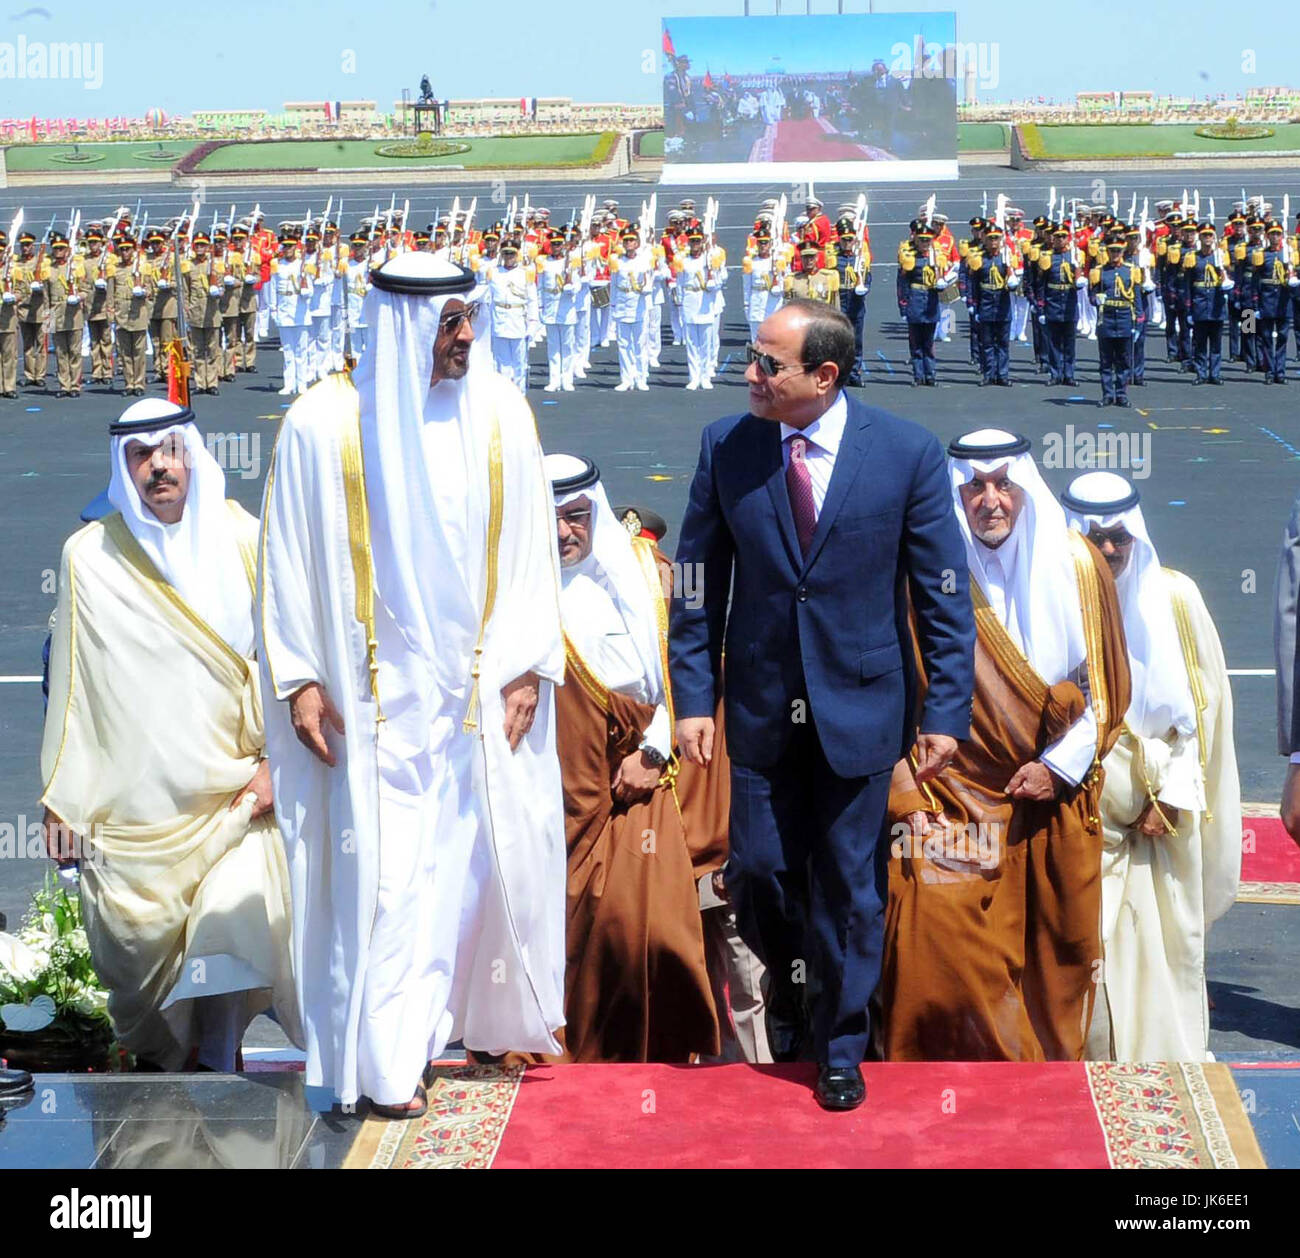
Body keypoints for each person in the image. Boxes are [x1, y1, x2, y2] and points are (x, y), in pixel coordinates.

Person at [257, 253, 567, 1117]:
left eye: (469, 318)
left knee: (455, 878)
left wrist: (530, 665)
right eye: (450, 324)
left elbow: (532, 552)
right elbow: (280, 563)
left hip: (467, 700)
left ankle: (421, 1040)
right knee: (383, 881)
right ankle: (382, 1068)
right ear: (401, 326)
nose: (467, 336)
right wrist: (298, 677)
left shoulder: (500, 413)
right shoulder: (324, 424)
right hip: (367, 708)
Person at [669, 300, 975, 1110]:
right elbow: (697, 581)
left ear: (825, 376)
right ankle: (800, 975)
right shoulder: (727, 447)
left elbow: (944, 596)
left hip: (864, 710)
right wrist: (694, 696)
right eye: (752, 356)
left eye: (769, 364)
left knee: (850, 886)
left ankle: (840, 1041)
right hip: (765, 710)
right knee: (761, 873)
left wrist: (945, 713)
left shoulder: (905, 454)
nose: (750, 375)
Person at [40, 398, 301, 1072]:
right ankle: (182, 1073)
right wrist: (61, 799)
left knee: (229, 927)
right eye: (142, 454)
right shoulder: (88, 559)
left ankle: (221, 1064)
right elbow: (71, 689)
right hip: (139, 810)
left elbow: (286, 660)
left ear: (193, 454)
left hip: (239, 790)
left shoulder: (244, 539)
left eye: (172, 449)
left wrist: (279, 760)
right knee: (144, 968)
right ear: (123, 467)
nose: (160, 466)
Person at [881, 430, 1131, 1063]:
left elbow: (1107, 689)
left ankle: (1039, 1100)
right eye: (973, 487)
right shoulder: (925, 569)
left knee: (1056, 954)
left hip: (1050, 793)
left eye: (1003, 485)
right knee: (936, 931)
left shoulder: (1078, 565)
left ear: (1024, 489)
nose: (990, 501)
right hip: (952, 791)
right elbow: (891, 687)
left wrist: (1059, 768)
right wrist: (905, 790)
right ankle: (951, 1087)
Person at [545, 454, 718, 1061]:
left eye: (576, 516)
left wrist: (653, 748)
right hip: (553, 789)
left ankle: (655, 1059)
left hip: (638, 780)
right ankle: (569, 1058)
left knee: (649, 929)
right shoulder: (512, 588)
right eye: (552, 519)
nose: (565, 532)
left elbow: (690, 670)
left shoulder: (646, 573)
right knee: (556, 935)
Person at [1061, 472, 1239, 1061]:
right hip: (1078, 811)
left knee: (1159, 944)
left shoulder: (1175, 597)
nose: (1109, 551)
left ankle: (1161, 1055)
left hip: (1157, 816)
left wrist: (1170, 799)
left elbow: (1205, 711)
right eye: (1095, 539)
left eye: (1119, 538)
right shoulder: (1054, 593)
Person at [1090, 234, 1140, 407]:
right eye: (1112, 251)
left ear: (1123, 251)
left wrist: (1139, 320)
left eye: (1118, 250)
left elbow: (1137, 297)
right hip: (1107, 319)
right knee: (1106, 361)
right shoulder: (1099, 271)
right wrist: (1096, 299)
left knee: (1124, 360)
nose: (1115, 254)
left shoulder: (1131, 270)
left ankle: (1121, 394)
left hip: (1125, 317)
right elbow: (1091, 296)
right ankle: (1107, 394)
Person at [675, 224, 725, 391]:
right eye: (692, 241)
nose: (695, 244)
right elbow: (680, 284)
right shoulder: (683, 261)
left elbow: (719, 282)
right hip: (690, 302)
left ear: (702, 242)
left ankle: (704, 376)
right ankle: (693, 377)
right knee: (692, 343)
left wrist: (712, 280)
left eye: (697, 241)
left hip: (705, 302)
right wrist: (681, 304)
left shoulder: (709, 260)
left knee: (705, 343)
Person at [108, 231, 154, 396]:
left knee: (139, 352)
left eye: (128, 249)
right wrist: (110, 314)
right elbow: (110, 294)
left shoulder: (141, 268)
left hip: (138, 314)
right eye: (122, 249)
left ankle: (139, 383)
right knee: (125, 352)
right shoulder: (115, 270)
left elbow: (150, 289)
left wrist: (143, 291)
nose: (125, 252)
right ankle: (129, 383)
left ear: (133, 250)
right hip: (122, 314)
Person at [46, 231, 90, 399]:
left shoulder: (75, 268)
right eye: (56, 248)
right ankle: (64, 385)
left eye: (61, 248)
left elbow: (86, 290)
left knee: (74, 351)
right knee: (60, 352)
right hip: (56, 313)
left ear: (67, 250)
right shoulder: (48, 270)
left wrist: (78, 296)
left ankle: (75, 385)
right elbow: (46, 298)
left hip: (73, 314)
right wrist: (47, 323)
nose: (58, 251)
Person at [1187, 222, 1232, 386]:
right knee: (1200, 343)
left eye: (1210, 235)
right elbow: (1188, 284)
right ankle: (1201, 373)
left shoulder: (1220, 256)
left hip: (1216, 305)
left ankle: (1215, 373)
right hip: (1199, 305)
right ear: (1200, 237)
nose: (1207, 238)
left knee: (1216, 344)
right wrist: (1189, 309)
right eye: (1204, 235)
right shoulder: (1193, 258)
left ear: (1214, 238)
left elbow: (1227, 279)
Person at [609, 226, 653, 391]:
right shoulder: (617, 261)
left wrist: (647, 290)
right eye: (626, 240)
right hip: (622, 305)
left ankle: (641, 378)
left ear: (637, 243)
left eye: (631, 240)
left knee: (640, 344)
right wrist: (613, 305)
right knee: (624, 345)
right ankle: (626, 378)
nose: (628, 243)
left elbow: (649, 281)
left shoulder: (643, 261)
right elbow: (613, 284)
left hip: (638, 305)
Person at [486, 241, 532, 393]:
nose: (509, 257)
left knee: (519, 361)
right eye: (506, 253)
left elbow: (532, 299)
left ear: (517, 255)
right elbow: (487, 297)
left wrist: (533, 323)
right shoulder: (493, 272)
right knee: (502, 362)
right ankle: (504, 394)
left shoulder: (524, 273)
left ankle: (520, 393)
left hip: (518, 318)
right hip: (499, 319)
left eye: (512, 253)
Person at [537, 230, 578, 392]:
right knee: (553, 346)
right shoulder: (544, 263)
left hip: (566, 308)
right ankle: (554, 380)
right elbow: (540, 287)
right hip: (550, 308)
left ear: (563, 246)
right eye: (553, 244)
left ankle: (567, 379)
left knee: (567, 346)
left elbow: (578, 285)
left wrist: (570, 287)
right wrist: (540, 306)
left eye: (559, 244)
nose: (556, 247)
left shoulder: (570, 263)